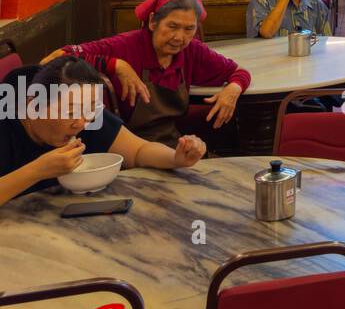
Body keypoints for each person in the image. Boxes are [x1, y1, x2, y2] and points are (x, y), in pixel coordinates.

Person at [45, 0, 251, 146]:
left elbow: (239, 72)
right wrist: (116, 64)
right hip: (120, 146)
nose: (180, 37)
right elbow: (58, 57)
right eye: (172, 26)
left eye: (189, 29)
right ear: (153, 21)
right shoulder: (126, 45)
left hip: (172, 143)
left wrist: (233, 89)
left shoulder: (192, 50)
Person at [0, 56, 206, 208]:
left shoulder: (88, 117)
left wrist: (176, 157)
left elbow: (138, 150)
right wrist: (38, 170)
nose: (80, 123)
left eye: (90, 109)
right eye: (69, 111)